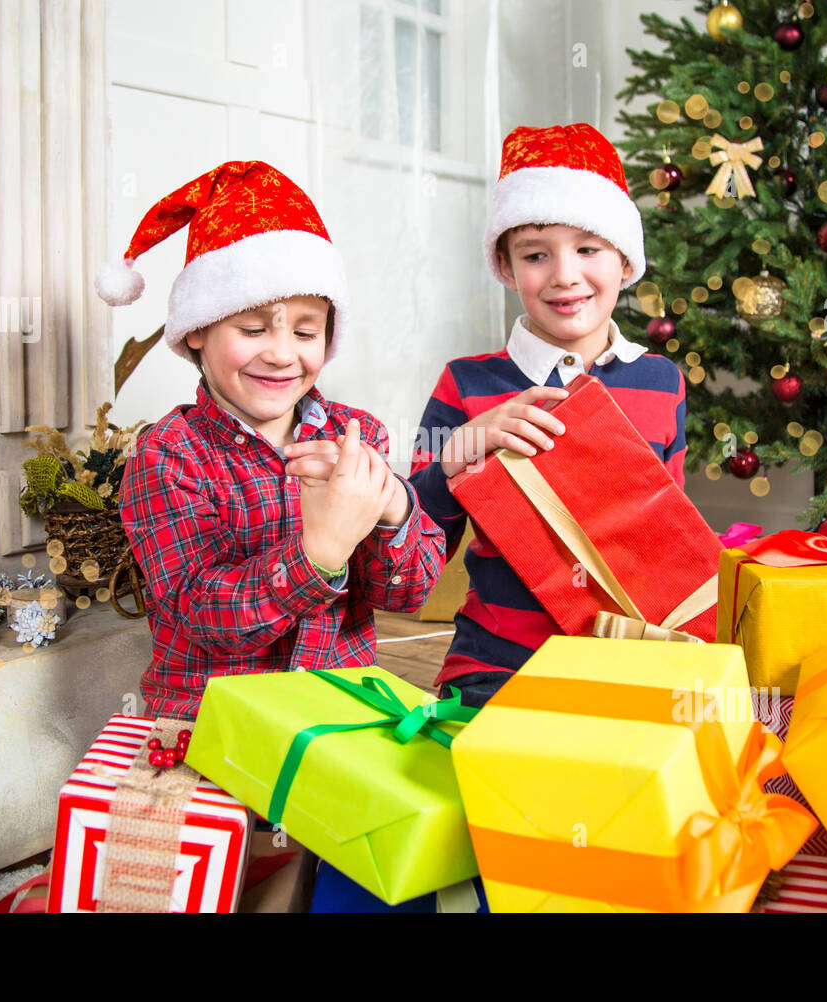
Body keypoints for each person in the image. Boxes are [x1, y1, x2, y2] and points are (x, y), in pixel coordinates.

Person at [100, 161, 446, 720]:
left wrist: (391, 504)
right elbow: (204, 615)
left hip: (339, 715)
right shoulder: (167, 453)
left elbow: (407, 594)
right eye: (254, 329)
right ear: (197, 328)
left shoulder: (357, 437)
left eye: (306, 331)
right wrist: (321, 553)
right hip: (213, 724)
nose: (284, 353)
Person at [408, 123, 687, 708]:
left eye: (588, 249)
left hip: (627, 665)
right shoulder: (468, 383)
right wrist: (457, 452)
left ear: (625, 262)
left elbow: (669, 540)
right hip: (497, 662)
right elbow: (417, 547)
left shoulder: (661, 381)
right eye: (536, 255)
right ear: (507, 269)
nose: (564, 275)